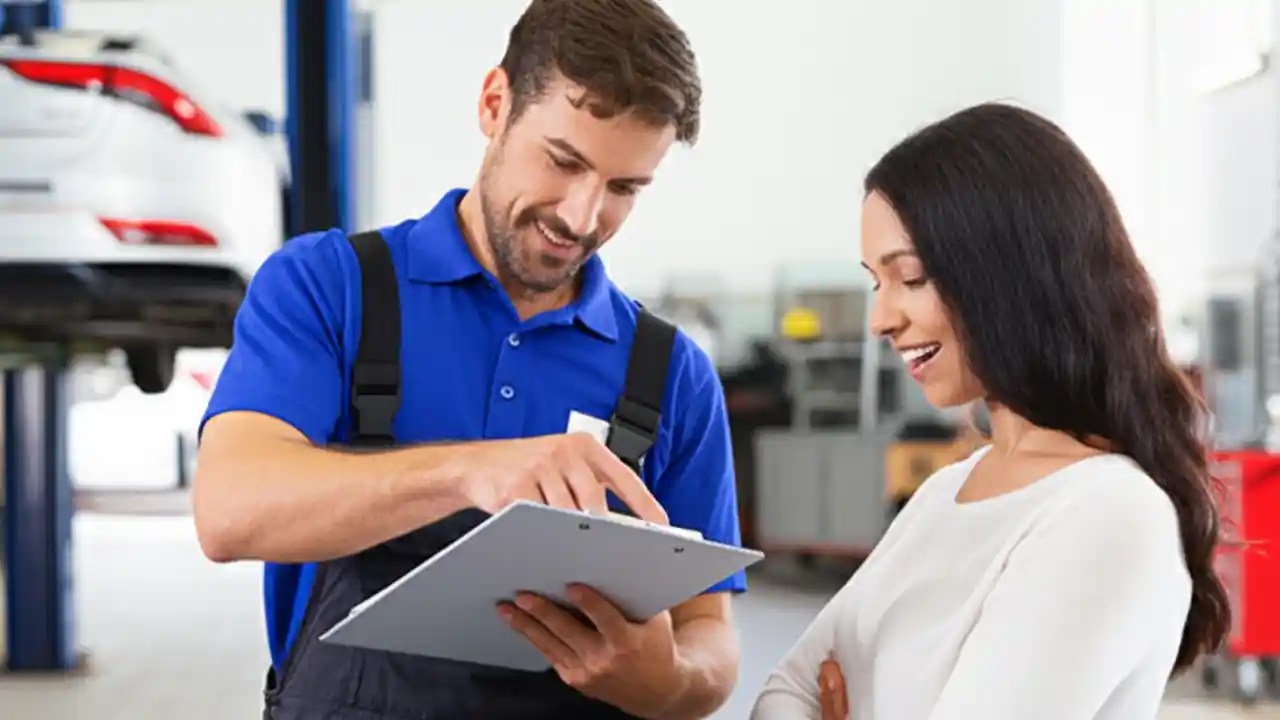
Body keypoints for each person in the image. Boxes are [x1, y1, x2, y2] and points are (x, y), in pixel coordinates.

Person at [192, 1, 746, 718]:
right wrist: (471, 472)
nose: (581, 217)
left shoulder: (671, 374)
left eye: (623, 188)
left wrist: (667, 680)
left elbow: (710, 633)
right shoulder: (328, 288)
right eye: (564, 161)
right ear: (494, 104)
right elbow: (229, 512)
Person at [750, 102, 1231, 719]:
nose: (880, 319)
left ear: (1008, 272)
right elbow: (783, 694)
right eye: (876, 282)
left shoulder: (1108, 513)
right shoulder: (946, 492)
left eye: (911, 278)